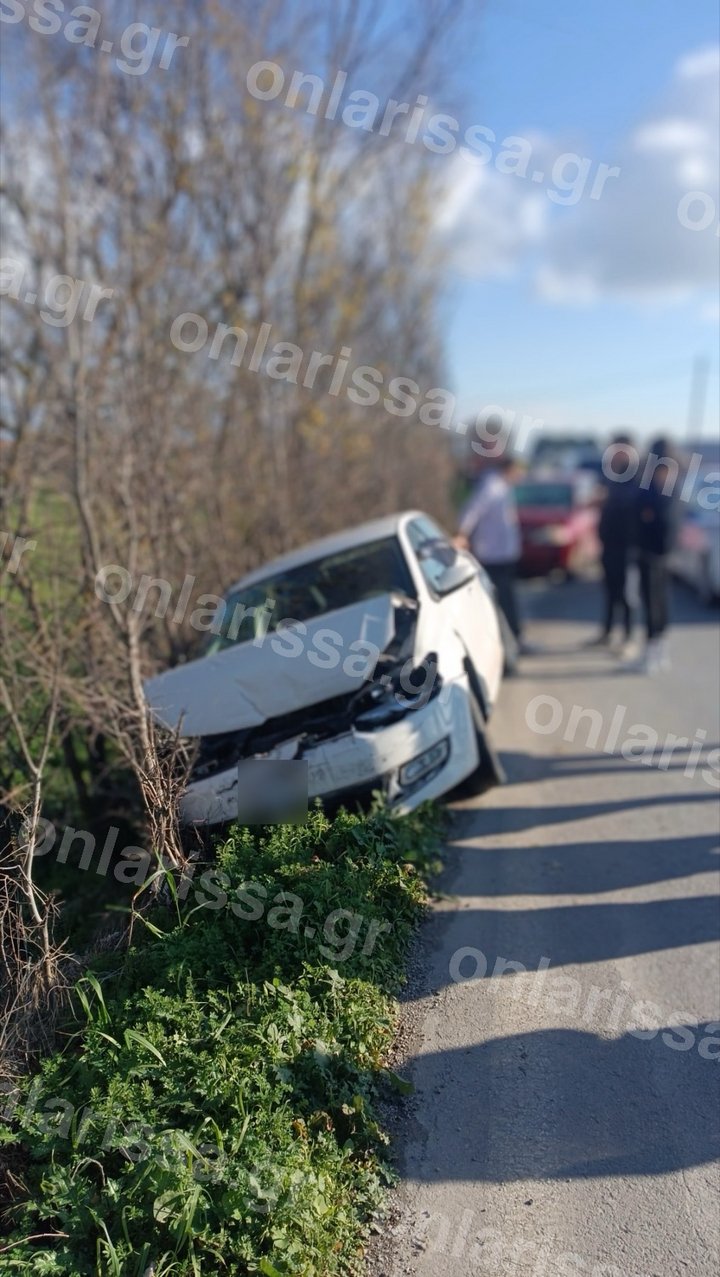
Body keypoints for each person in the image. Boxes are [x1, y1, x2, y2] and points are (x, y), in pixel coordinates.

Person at [454, 454, 522, 641]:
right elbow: (471, 511)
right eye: (517, 471)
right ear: (509, 469)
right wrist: (462, 534)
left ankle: (512, 636)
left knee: (505, 598)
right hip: (493, 554)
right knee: (500, 599)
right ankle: (509, 637)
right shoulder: (491, 487)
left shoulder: (502, 487)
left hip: (502, 553)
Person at [588, 434, 638, 656]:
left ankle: (629, 637)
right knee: (609, 590)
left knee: (627, 593)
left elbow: (631, 503)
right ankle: (607, 632)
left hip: (628, 545)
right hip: (609, 543)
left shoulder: (637, 476)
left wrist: (608, 499)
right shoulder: (610, 474)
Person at [635, 438, 681, 673]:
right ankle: (657, 651)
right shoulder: (672, 482)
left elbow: (649, 515)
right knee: (658, 600)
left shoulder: (656, 485)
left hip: (653, 551)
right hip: (662, 550)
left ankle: (654, 653)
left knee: (654, 601)